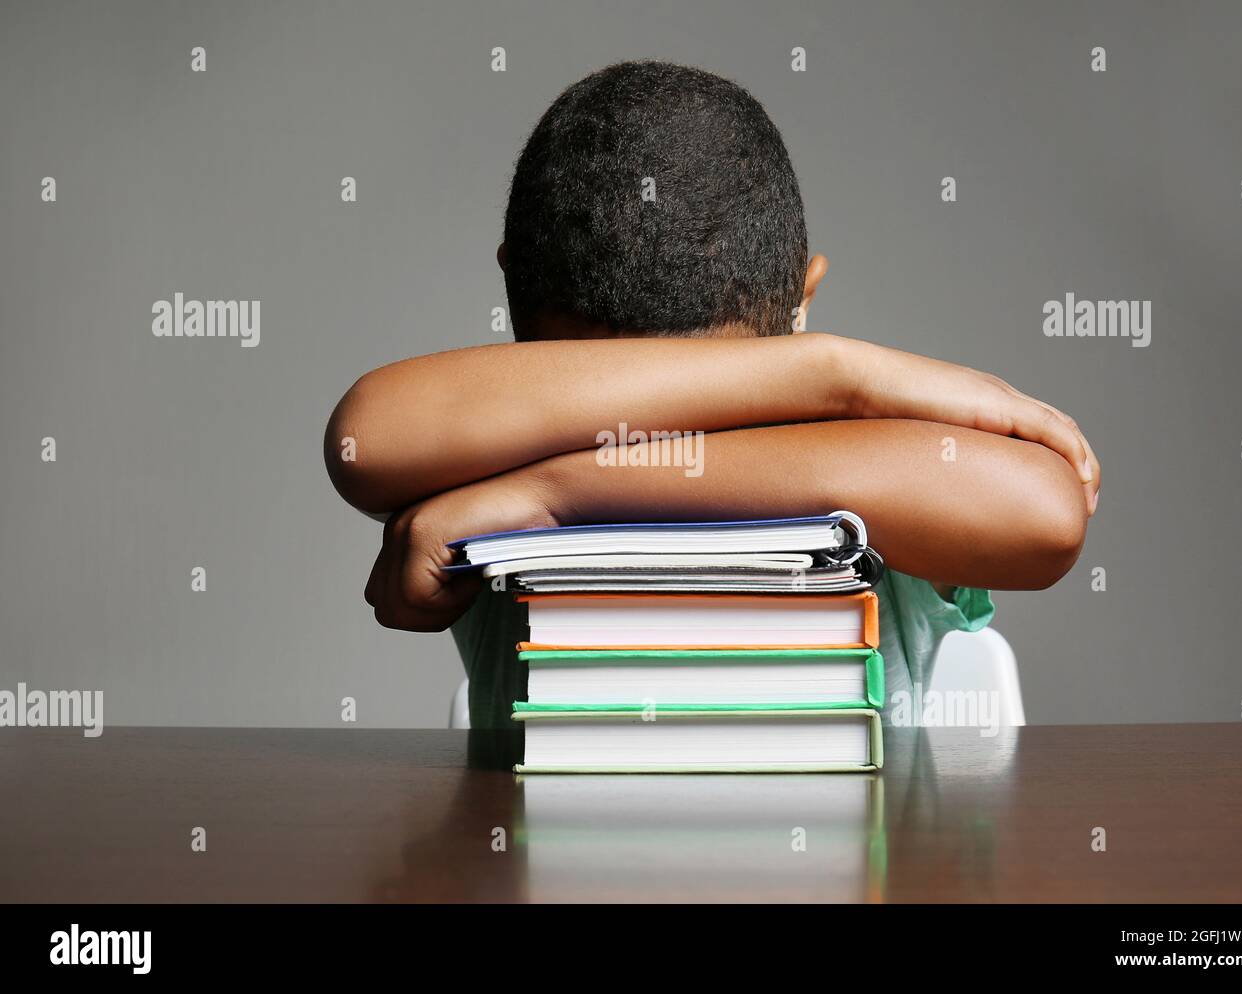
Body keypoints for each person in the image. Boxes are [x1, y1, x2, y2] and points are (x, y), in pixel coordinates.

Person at [324, 61, 1099, 730]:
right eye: (602, 413)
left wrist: (558, 486)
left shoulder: (505, 476)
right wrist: (829, 373)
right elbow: (365, 434)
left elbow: (1048, 514)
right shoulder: (836, 389)